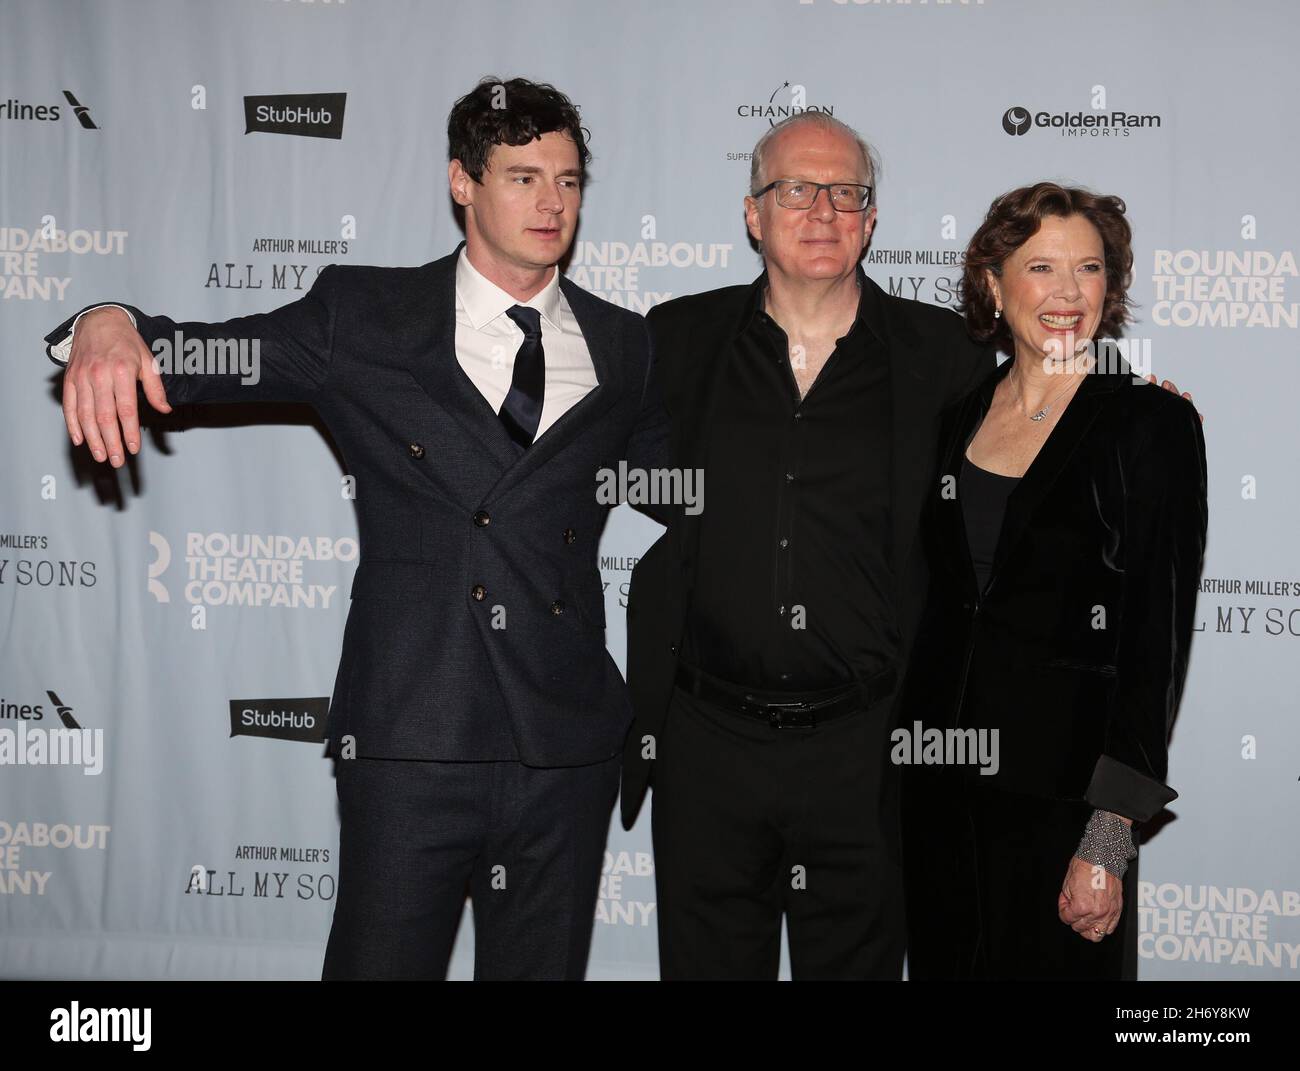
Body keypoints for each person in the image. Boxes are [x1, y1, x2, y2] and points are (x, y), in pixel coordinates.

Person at [44, 76, 668, 980]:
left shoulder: (627, 345)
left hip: (565, 748)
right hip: (411, 732)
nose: (551, 202)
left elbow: (686, 488)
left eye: (568, 180)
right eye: (523, 176)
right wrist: (108, 322)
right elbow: (210, 357)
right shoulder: (365, 316)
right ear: (463, 182)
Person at [620, 111, 997, 979]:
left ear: (872, 218)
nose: (823, 210)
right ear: (753, 213)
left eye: (847, 193)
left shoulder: (946, 357)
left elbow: (1033, 458)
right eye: (796, 189)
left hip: (866, 751)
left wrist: (1133, 415)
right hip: (705, 743)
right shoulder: (672, 341)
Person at [897, 182, 1208, 980]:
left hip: (1066, 804)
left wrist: (1109, 832)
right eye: (1041, 267)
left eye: (1090, 268)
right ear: (995, 286)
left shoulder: (1150, 425)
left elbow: (1155, 643)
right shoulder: (957, 416)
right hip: (939, 794)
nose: (1068, 292)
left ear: (1112, 286)